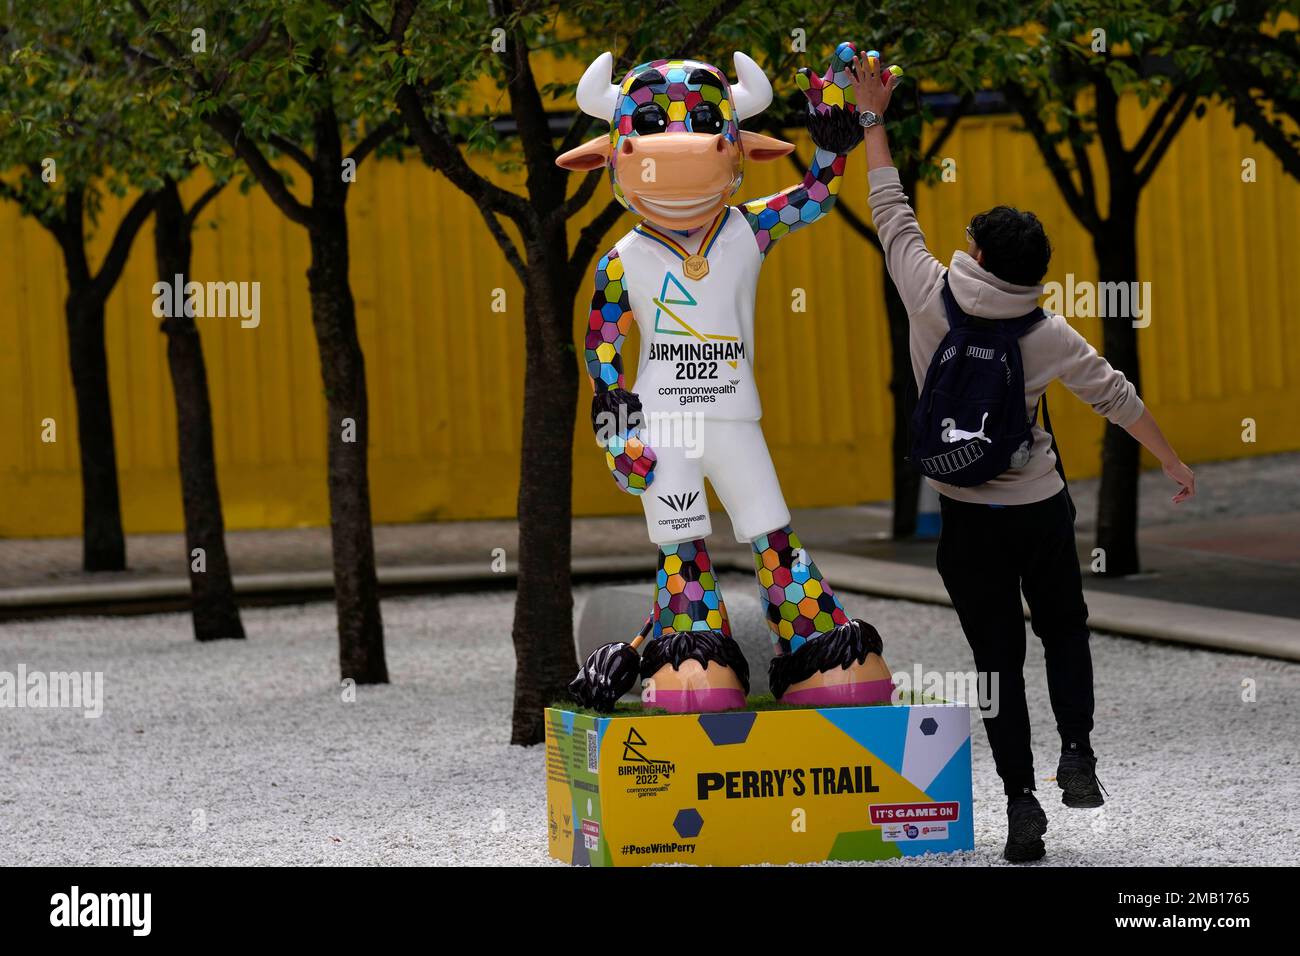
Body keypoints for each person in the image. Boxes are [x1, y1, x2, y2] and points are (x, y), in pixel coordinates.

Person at [848, 52, 1196, 863]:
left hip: (965, 518)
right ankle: (1078, 749)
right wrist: (1173, 464)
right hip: (1039, 510)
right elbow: (1119, 399)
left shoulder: (925, 290)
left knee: (994, 660)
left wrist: (873, 114)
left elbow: (888, 201)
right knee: (1065, 632)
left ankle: (1021, 806)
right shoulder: (1049, 335)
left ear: (974, 250)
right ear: (1033, 272)